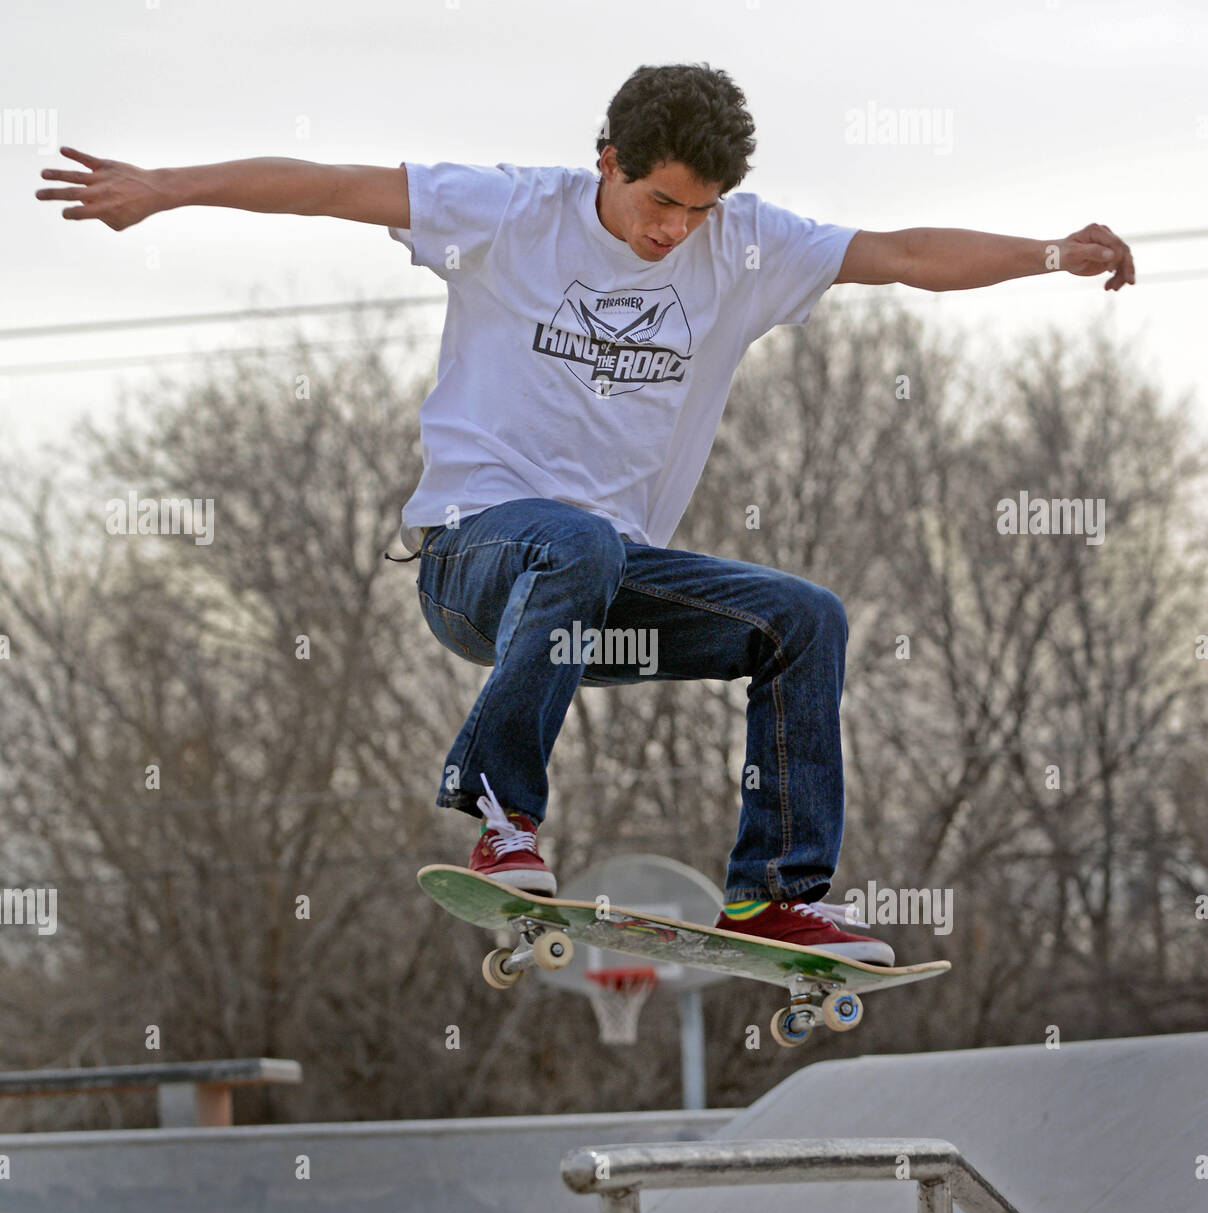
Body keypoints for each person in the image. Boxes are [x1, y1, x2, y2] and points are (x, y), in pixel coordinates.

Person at [38, 63, 1134, 965]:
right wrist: (167, 186)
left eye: (696, 212)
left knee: (802, 617)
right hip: (477, 561)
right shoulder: (509, 211)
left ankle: (769, 896)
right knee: (577, 537)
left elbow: (898, 257)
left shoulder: (744, 245)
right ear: (605, 158)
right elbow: (332, 185)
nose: (674, 232)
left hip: (601, 590)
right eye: (658, 201)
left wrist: (1046, 254)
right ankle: (502, 816)